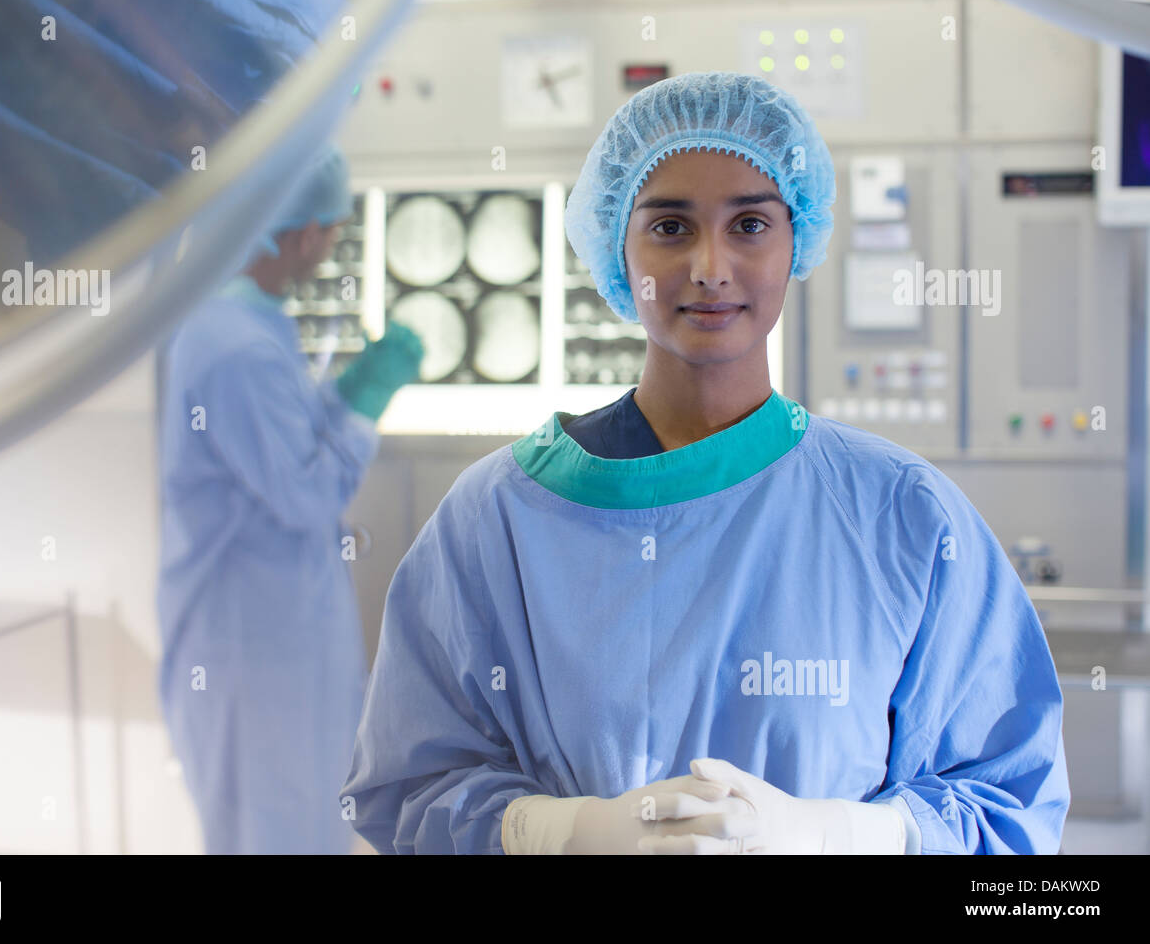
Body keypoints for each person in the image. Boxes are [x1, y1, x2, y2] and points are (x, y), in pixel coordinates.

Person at [341, 73, 1070, 855]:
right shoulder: (496, 519)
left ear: (799, 241)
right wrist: (566, 833)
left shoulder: (902, 514)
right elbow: (409, 791)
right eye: (669, 227)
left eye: (750, 223)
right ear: (618, 248)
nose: (710, 266)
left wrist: (834, 834)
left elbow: (1007, 799)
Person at [157, 146, 423, 854]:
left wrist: (345, 391)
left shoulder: (250, 324)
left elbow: (285, 442)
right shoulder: (232, 346)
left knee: (304, 820)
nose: (331, 244)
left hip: (279, 633)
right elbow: (302, 495)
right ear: (305, 235)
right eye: (333, 229)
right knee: (272, 833)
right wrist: (366, 406)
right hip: (251, 648)